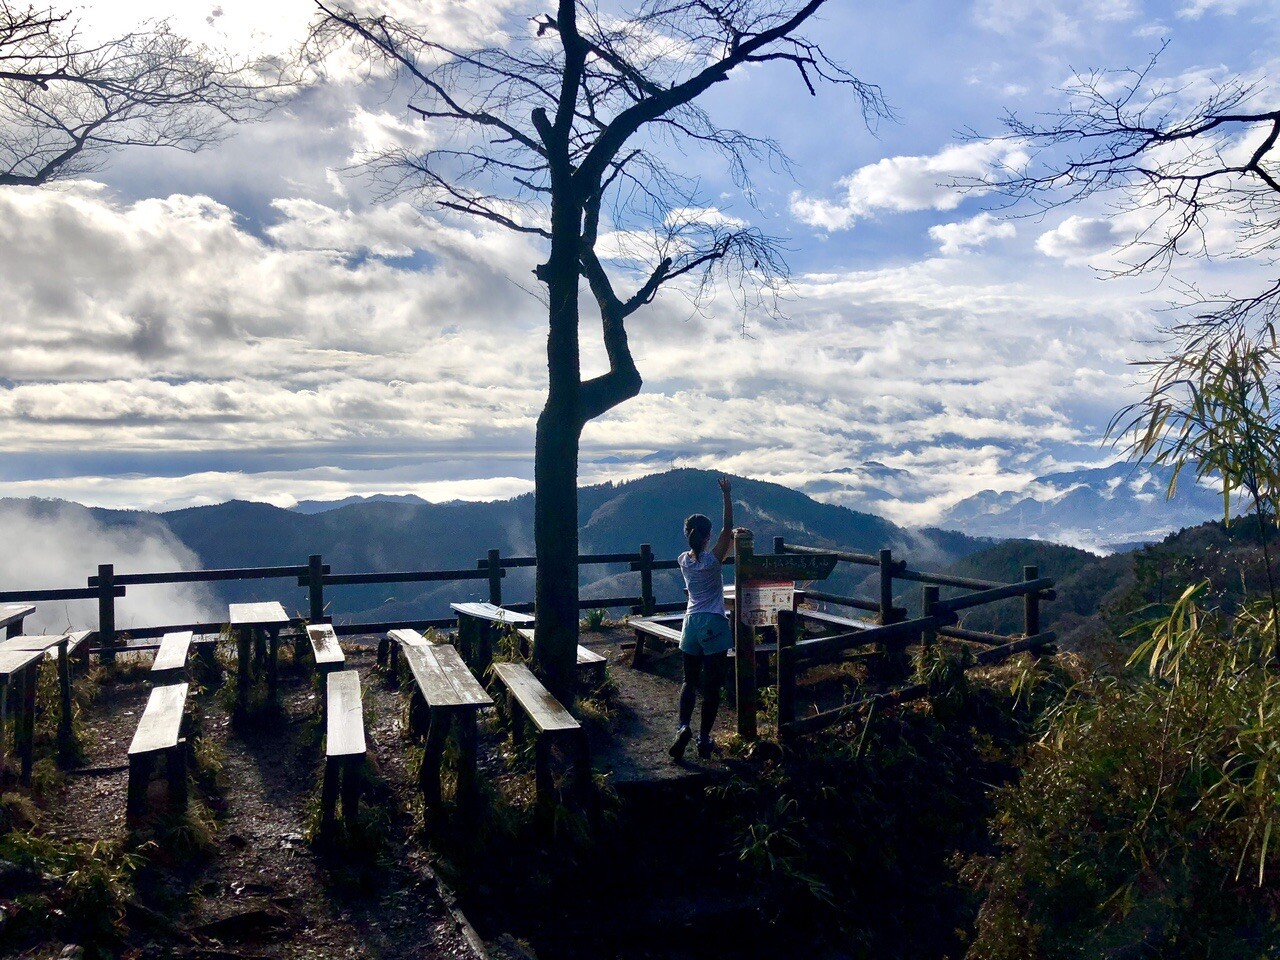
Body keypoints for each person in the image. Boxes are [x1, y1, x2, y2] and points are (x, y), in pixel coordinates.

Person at [670, 475, 737, 762]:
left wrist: (727, 539)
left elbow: (722, 536)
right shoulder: (712, 561)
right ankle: (704, 738)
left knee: (689, 681)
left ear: (687, 534)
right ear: (708, 536)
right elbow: (728, 529)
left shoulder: (683, 560)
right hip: (713, 622)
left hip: (690, 623)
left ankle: (683, 726)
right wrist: (727, 494)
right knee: (712, 688)